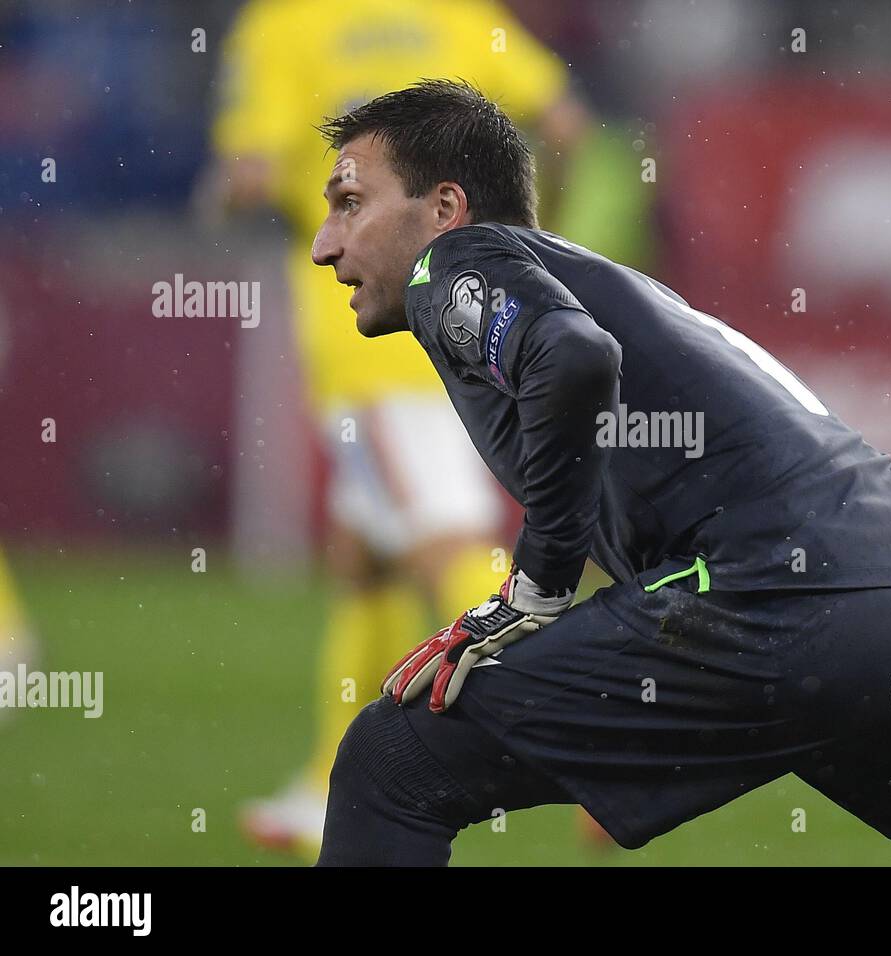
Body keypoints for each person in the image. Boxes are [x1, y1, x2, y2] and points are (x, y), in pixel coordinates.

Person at [309, 80, 891, 866]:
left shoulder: (452, 268)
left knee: (396, 762)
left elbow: (575, 360)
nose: (323, 243)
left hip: (782, 610)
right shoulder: (652, 308)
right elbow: (887, 496)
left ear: (444, 208)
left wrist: (536, 586)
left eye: (349, 202)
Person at [202, 0, 593, 858]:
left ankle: (592, 729)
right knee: (366, 559)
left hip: (374, 342)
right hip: (465, 315)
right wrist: (532, 232)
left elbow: (250, 167)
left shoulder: (284, 26)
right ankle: (326, 785)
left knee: (440, 540)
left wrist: (229, 191)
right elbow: (563, 120)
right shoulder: (454, 15)